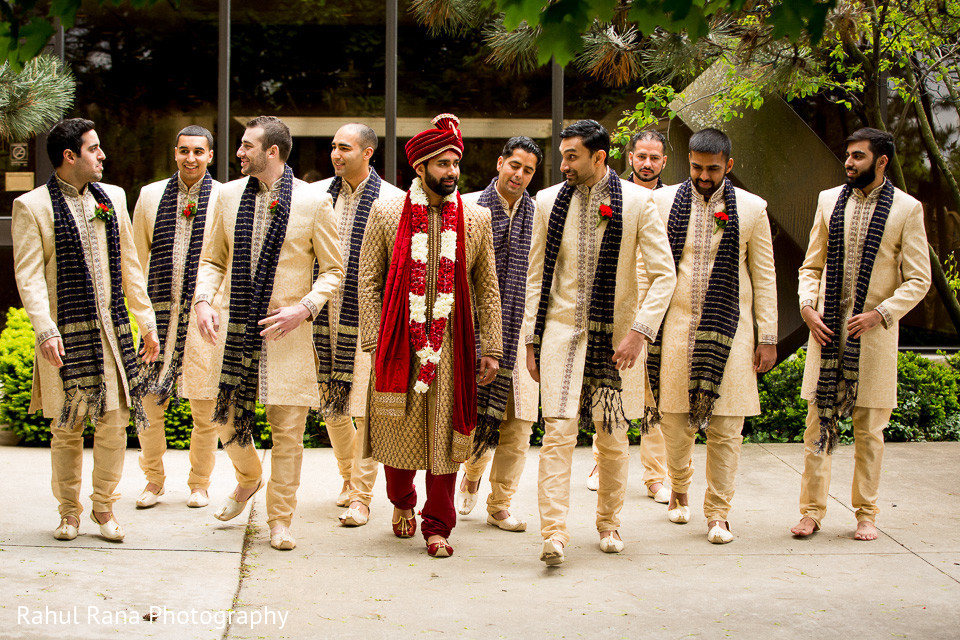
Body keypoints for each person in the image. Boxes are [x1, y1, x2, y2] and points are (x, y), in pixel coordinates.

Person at [523, 119, 676, 565]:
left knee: (612, 437)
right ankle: (553, 532)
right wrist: (532, 340)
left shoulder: (640, 201)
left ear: (599, 158)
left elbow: (663, 275)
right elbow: (536, 275)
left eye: (572, 156)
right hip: (561, 334)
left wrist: (639, 332)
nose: (563, 163)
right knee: (557, 435)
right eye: (562, 155)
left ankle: (609, 522)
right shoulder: (548, 201)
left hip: (618, 340)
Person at [189, 116, 344, 551]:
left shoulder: (313, 201)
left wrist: (305, 308)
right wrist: (202, 299)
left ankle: (280, 521)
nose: (238, 152)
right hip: (233, 327)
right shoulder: (226, 195)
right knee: (224, 418)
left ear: (271, 151)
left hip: (286, 332)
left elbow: (333, 269)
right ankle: (249, 478)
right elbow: (212, 260)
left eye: (246, 145)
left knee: (288, 434)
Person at [358, 114, 502, 558]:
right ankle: (402, 502)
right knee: (395, 434)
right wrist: (374, 340)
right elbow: (367, 277)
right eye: (442, 163)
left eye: (455, 162)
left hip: (452, 348)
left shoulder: (476, 219)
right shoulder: (386, 212)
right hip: (400, 344)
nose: (452, 171)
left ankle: (438, 524)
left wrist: (491, 348)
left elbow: (488, 286)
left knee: (446, 439)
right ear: (419, 168)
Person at [12, 118, 160, 542]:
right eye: (94, 148)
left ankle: (103, 507)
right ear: (69, 156)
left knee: (114, 422)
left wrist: (145, 320)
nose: (103, 155)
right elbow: (30, 276)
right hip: (66, 336)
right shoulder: (33, 206)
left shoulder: (112, 197)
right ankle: (68, 512)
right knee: (67, 426)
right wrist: (44, 329)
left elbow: (130, 264)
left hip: (112, 336)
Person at [791, 128, 931, 541]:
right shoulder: (828, 201)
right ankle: (811, 513)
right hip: (828, 335)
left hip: (874, 339)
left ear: (881, 161)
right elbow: (810, 267)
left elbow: (918, 279)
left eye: (857, 157)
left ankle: (866, 514)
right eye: (847, 156)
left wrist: (880, 314)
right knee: (817, 427)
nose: (848, 163)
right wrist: (807, 308)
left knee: (869, 432)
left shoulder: (907, 210)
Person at [647, 127, 778, 545]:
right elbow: (646, 268)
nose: (704, 176)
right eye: (697, 167)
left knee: (726, 428)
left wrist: (768, 335)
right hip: (674, 330)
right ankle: (680, 487)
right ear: (688, 161)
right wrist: (642, 328)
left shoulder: (754, 209)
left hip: (731, 333)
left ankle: (719, 513)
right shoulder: (661, 202)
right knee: (674, 423)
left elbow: (765, 276)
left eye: (713, 169)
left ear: (729, 166)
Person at [314, 123, 403, 526]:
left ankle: (361, 498)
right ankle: (348, 479)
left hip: (372, 319)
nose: (336, 154)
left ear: (368, 153)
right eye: (333, 147)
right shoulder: (317, 195)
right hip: (321, 316)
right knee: (332, 406)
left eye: (344, 148)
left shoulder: (394, 200)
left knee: (366, 409)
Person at [454, 136, 542, 532]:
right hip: (473, 329)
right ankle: (472, 471)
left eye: (528, 171)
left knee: (520, 423)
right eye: (515, 166)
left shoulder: (539, 215)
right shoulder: (467, 206)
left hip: (524, 330)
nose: (519, 175)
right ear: (500, 163)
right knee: (474, 421)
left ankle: (500, 503)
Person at [132, 125, 221, 510]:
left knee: (204, 407)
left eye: (198, 152)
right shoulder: (150, 196)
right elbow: (136, 259)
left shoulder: (225, 196)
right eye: (184, 150)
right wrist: (142, 315)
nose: (191, 158)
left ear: (210, 156)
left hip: (205, 318)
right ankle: (153, 481)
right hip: (158, 318)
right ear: (175, 152)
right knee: (149, 404)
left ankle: (199, 484)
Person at [587, 128, 673, 503]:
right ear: (630, 157)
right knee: (607, 383)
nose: (648, 163)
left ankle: (655, 474)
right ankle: (599, 462)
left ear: (664, 161)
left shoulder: (674, 200)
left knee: (655, 391)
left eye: (655, 158)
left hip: (659, 308)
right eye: (642, 156)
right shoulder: (610, 195)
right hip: (616, 306)